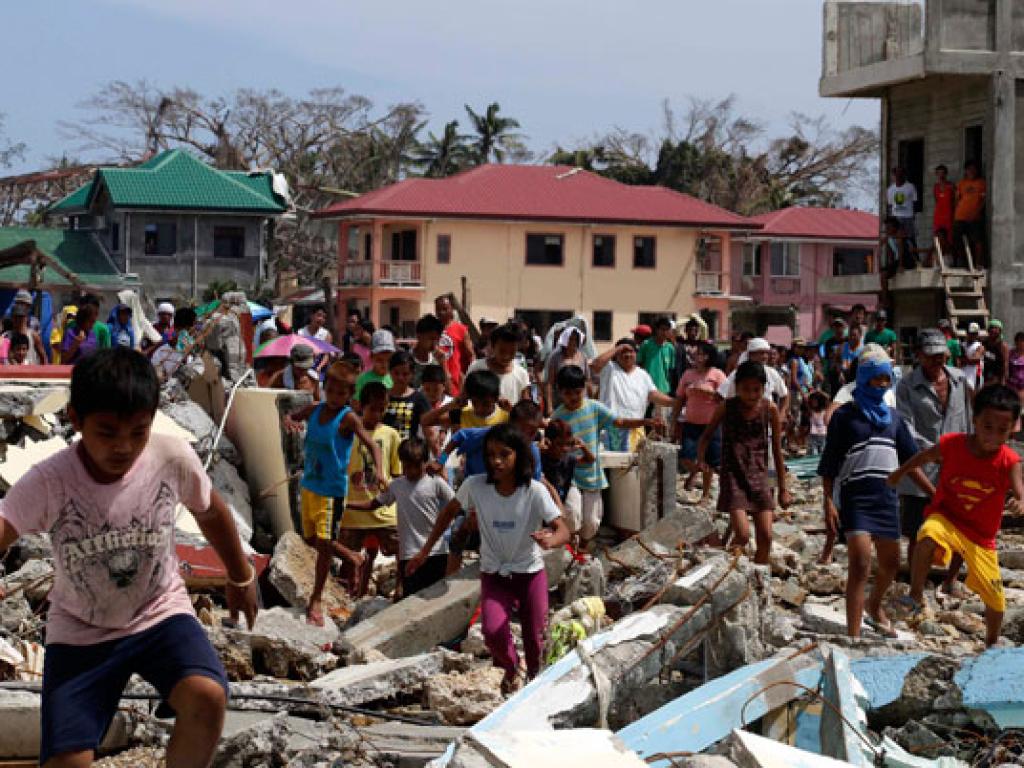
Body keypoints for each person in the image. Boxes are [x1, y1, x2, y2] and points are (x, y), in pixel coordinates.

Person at [0, 348, 258, 766]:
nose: (124, 447)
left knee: (207, 696)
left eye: (138, 432)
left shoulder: (170, 457)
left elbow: (210, 511)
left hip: (159, 613)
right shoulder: (49, 480)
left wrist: (240, 576)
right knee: (69, 762)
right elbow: (5, 526)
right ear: (75, 419)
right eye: (107, 432)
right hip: (82, 631)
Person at [406, 424, 571, 693]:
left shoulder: (534, 491)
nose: (496, 461)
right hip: (495, 575)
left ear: (519, 455)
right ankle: (511, 667)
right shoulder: (475, 486)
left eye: (504, 454)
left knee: (536, 640)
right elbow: (447, 514)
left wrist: (551, 539)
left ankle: (534, 691)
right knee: (493, 633)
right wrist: (424, 552)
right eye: (491, 454)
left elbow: (563, 528)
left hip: (530, 574)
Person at [889, 385, 1022, 646]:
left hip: (981, 537)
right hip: (947, 517)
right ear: (975, 420)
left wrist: (1020, 501)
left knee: (996, 601)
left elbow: (1020, 489)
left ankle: (991, 643)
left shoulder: (1009, 460)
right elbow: (921, 458)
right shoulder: (953, 445)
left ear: (1012, 429)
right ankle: (916, 595)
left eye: (1002, 431)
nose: (993, 437)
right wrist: (898, 474)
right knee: (926, 535)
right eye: (987, 427)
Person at [818, 346, 919, 638]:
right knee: (860, 564)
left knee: (890, 564)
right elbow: (829, 465)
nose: (882, 385)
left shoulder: (894, 418)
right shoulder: (845, 417)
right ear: (863, 379)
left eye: (886, 379)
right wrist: (828, 503)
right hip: (855, 499)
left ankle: (874, 607)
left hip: (886, 500)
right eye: (876, 379)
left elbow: (912, 462)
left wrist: (934, 492)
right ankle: (854, 637)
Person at [283, 363, 377, 624]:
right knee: (311, 540)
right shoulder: (315, 409)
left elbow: (371, 445)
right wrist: (290, 422)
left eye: (340, 394)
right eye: (330, 391)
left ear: (349, 395)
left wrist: (379, 471)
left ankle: (316, 599)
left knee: (324, 546)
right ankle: (351, 556)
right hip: (310, 486)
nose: (334, 398)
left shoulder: (347, 418)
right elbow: (291, 416)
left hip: (332, 491)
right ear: (323, 388)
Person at [552, 365, 658, 548]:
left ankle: (583, 546)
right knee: (572, 513)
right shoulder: (557, 417)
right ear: (559, 392)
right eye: (568, 393)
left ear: (584, 389)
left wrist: (646, 421)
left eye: (577, 392)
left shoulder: (593, 408)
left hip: (592, 473)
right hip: (569, 475)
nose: (573, 397)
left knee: (592, 521)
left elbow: (620, 422)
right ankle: (572, 548)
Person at [895, 329, 972, 576]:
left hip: (957, 466)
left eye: (941, 355)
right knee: (918, 528)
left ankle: (951, 579)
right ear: (919, 356)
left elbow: (968, 420)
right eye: (932, 356)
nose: (938, 360)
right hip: (922, 468)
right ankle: (917, 579)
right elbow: (906, 428)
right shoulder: (907, 385)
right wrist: (935, 451)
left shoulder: (959, 380)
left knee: (960, 526)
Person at [699, 361, 791, 565]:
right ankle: (724, 569)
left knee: (766, 536)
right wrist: (701, 460)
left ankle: (759, 579)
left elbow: (776, 450)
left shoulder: (770, 409)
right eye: (746, 389)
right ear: (737, 387)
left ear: (764, 388)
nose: (751, 395)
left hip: (759, 475)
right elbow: (706, 436)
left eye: (756, 390)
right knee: (742, 534)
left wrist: (783, 488)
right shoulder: (727, 407)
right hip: (733, 474)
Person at [347, 437, 455, 598]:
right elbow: (374, 504)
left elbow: (456, 504)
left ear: (426, 463)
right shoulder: (397, 485)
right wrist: (347, 504)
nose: (410, 471)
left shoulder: (436, 483)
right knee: (412, 599)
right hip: (409, 554)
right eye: (406, 466)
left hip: (436, 553)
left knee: (435, 598)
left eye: (415, 466)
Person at [338, 381, 402, 598]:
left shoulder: (391, 435)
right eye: (373, 408)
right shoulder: (348, 433)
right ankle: (348, 595)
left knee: (401, 546)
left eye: (382, 409)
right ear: (361, 406)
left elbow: (396, 470)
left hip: (382, 510)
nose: (377, 414)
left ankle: (401, 588)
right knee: (348, 558)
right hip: (353, 511)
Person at [592, 338, 677, 451]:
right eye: (623, 352)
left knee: (634, 467)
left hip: (636, 429)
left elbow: (653, 395)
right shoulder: (609, 368)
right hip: (611, 429)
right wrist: (618, 348)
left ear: (636, 354)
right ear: (616, 354)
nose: (627, 355)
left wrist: (675, 402)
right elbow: (596, 364)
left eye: (631, 351)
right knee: (612, 465)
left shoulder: (643, 374)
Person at [670, 341, 726, 501]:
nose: (698, 356)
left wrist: (709, 393)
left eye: (702, 353)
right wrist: (674, 419)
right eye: (697, 353)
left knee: (711, 459)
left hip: (712, 424)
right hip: (691, 422)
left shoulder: (717, 374)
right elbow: (680, 397)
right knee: (686, 456)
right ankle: (696, 471)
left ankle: (705, 495)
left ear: (709, 356)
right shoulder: (688, 375)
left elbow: (725, 398)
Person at [540, 418, 594, 540]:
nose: (564, 448)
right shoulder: (540, 459)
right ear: (548, 442)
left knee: (572, 516)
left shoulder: (568, 459)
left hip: (561, 500)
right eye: (560, 444)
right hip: (543, 506)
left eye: (568, 444)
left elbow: (590, 460)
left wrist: (583, 447)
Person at [718, 338, 790, 419]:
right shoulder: (738, 373)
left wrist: (781, 414)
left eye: (766, 353)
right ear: (750, 355)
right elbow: (721, 395)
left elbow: (785, 395)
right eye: (761, 353)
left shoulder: (772, 373)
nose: (765, 356)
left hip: (764, 420)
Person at [421, 369, 508, 432]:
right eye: (475, 403)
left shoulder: (506, 418)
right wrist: (450, 405)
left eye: (486, 404)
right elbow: (425, 421)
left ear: (496, 399)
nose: (479, 409)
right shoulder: (462, 414)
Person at [467, 322, 531, 406]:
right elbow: (466, 396)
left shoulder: (521, 374)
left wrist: (510, 410)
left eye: (512, 352)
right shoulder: (477, 367)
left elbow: (525, 407)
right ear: (492, 347)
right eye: (502, 351)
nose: (506, 356)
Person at [384, 350, 431, 441]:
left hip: (407, 452)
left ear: (412, 374)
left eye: (405, 374)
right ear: (389, 372)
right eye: (396, 373)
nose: (400, 378)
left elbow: (429, 429)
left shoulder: (419, 398)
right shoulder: (382, 396)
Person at [544, 326, 589, 412]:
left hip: (580, 401)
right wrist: (549, 406)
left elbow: (587, 380)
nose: (573, 342)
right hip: (561, 401)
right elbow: (550, 383)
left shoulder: (583, 357)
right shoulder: (555, 357)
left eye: (576, 339)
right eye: (570, 339)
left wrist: (591, 399)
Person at [435, 294, 474, 395]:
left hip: (454, 384)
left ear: (451, 309)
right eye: (438, 309)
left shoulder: (461, 329)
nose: (441, 312)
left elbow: (470, 355)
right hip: (433, 383)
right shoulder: (432, 329)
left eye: (445, 309)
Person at [953, 161, 987, 268]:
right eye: (969, 169)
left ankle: (978, 263)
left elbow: (984, 200)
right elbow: (957, 199)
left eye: (973, 169)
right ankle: (965, 263)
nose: (971, 172)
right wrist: (957, 211)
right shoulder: (961, 183)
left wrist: (976, 212)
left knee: (977, 241)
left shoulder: (981, 183)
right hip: (960, 217)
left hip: (974, 217)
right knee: (958, 241)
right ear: (966, 171)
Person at [637, 317, 677, 399]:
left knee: (661, 412)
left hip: (663, 390)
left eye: (667, 330)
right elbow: (639, 364)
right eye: (662, 329)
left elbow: (670, 370)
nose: (664, 332)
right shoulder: (646, 344)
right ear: (656, 330)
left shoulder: (670, 348)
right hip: (646, 389)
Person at [419, 364, 451, 459]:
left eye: (436, 390)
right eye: (427, 389)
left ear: (444, 386)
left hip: (449, 461)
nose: (432, 393)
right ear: (422, 386)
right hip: (422, 460)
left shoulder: (452, 404)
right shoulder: (417, 404)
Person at [355, 329, 396, 399]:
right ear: (371, 356)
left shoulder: (395, 378)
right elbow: (357, 403)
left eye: (389, 360)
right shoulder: (362, 379)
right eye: (379, 360)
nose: (385, 364)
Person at [3, 300, 46, 364]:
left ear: (26, 318)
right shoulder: (5, 336)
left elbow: (43, 357)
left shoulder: (33, 335)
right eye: (16, 317)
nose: (18, 320)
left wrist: (43, 372)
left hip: (31, 372)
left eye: (21, 317)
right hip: (11, 372)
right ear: (12, 318)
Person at [410, 314, 446, 388]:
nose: (434, 343)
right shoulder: (407, 359)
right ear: (419, 336)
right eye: (431, 338)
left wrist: (443, 366)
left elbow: (447, 389)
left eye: (437, 340)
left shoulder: (437, 360)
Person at [887, 166, 918, 250]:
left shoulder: (910, 187)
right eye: (897, 173)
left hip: (908, 217)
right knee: (894, 240)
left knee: (910, 238)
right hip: (896, 218)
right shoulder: (890, 189)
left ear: (904, 175)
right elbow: (890, 205)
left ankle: (916, 260)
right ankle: (898, 260)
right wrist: (891, 219)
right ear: (894, 175)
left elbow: (915, 202)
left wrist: (913, 215)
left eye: (901, 173)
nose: (899, 175)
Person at [933, 164, 956, 252]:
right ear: (936, 174)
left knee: (949, 238)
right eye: (939, 173)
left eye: (943, 173)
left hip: (948, 215)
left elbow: (956, 200)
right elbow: (936, 200)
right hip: (938, 216)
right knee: (937, 237)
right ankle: (939, 258)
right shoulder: (936, 187)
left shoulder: (951, 186)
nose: (941, 175)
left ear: (946, 174)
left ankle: (950, 259)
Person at [983, 319, 1009, 386]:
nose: (993, 330)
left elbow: (1005, 363)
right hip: (984, 376)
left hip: (997, 377)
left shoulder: (1002, 345)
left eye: (995, 328)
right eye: (991, 327)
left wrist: (1003, 380)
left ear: (1000, 331)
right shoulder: (984, 344)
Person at [961, 322, 985, 392]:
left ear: (977, 334)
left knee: (974, 395)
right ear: (967, 333)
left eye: (975, 333)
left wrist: (963, 359)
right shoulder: (962, 344)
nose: (972, 335)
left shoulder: (979, 346)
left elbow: (975, 360)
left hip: (975, 375)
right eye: (971, 333)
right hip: (963, 373)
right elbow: (958, 360)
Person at [1009, 332, 1024, 400]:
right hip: (1011, 385)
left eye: (1023, 341)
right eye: (1019, 341)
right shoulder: (1010, 353)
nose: (1021, 343)